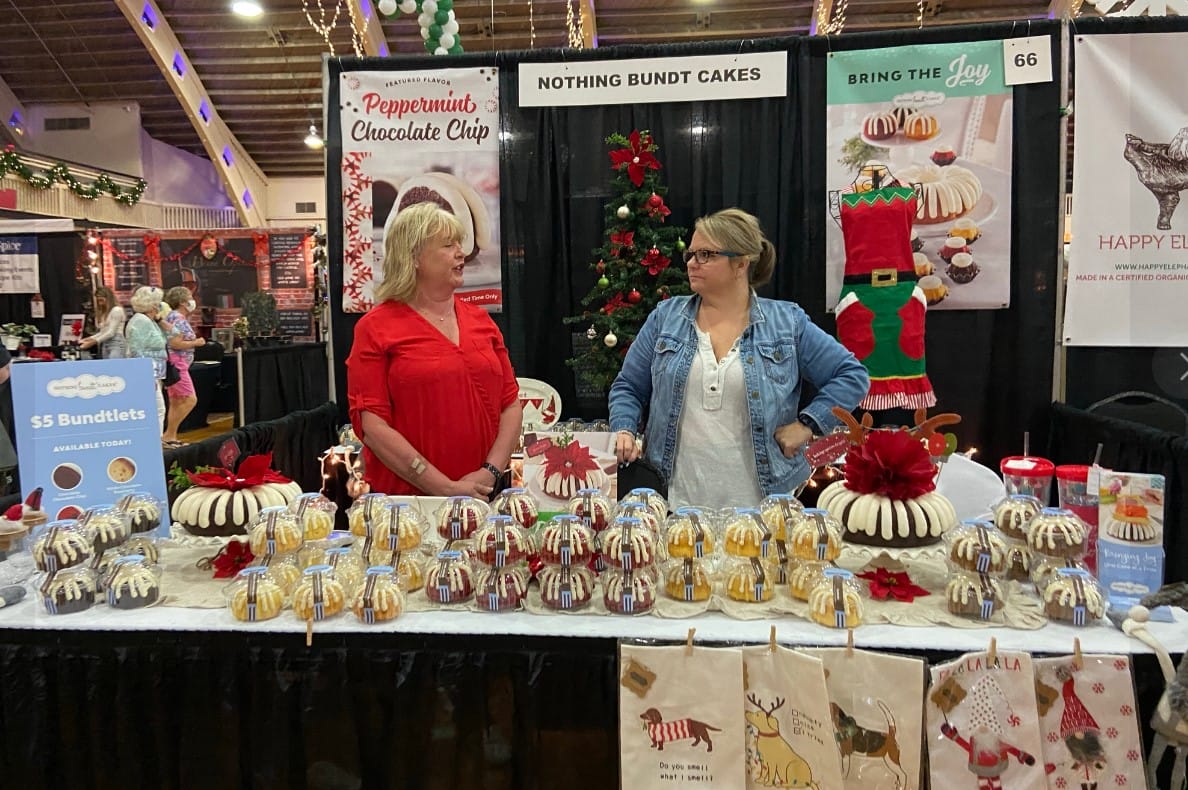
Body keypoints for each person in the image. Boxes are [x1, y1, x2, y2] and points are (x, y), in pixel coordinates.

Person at [609, 208, 869, 509]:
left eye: (706, 254)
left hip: (763, 506)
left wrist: (808, 424)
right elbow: (628, 386)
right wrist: (624, 428)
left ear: (741, 263)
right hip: (672, 503)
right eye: (691, 254)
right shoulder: (665, 319)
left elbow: (852, 375)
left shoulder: (787, 323)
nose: (692, 263)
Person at [347, 202, 522, 498]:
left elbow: (511, 404)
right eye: (448, 245)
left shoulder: (482, 321)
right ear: (414, 256)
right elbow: (373, 426)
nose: (460, 252)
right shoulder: (375, 328)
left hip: (482, 495)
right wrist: (443, 487)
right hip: (406, 507)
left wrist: (490, 472)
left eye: (459, 243)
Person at [161, 286, 205, 446]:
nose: (193, 301)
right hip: (177, 364)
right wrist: (197, 342)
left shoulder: (173, 317)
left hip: (175, 363)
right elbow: (175, 342)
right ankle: (169, 433)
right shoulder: (177, 318)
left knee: (176, 400)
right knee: (189, 399)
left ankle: (171, 436)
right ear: (182, 302)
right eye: (190, 297)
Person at [125, 286, 169, 435]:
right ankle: (156, 444)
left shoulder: (149, 321)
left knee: (157, 409)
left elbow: (174, 333)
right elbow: (136, 349)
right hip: (147, 373)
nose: (160, 305)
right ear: (153, 304)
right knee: (157, 409)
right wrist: (146, 375)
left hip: (155, 372)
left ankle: (157, 443)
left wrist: (160, 319)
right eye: (158, 302)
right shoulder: (141, 322)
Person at [79, 286, 127, 359]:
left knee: (115, 366)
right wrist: (88, 339)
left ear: (108, 299)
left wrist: (93, 342)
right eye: (98, 301)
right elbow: (103, 332)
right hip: (105, 343)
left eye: (101, 300)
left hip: (116, 344)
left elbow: (111, 332)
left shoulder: (117, 310)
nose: (100, 303)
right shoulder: (104, 313)